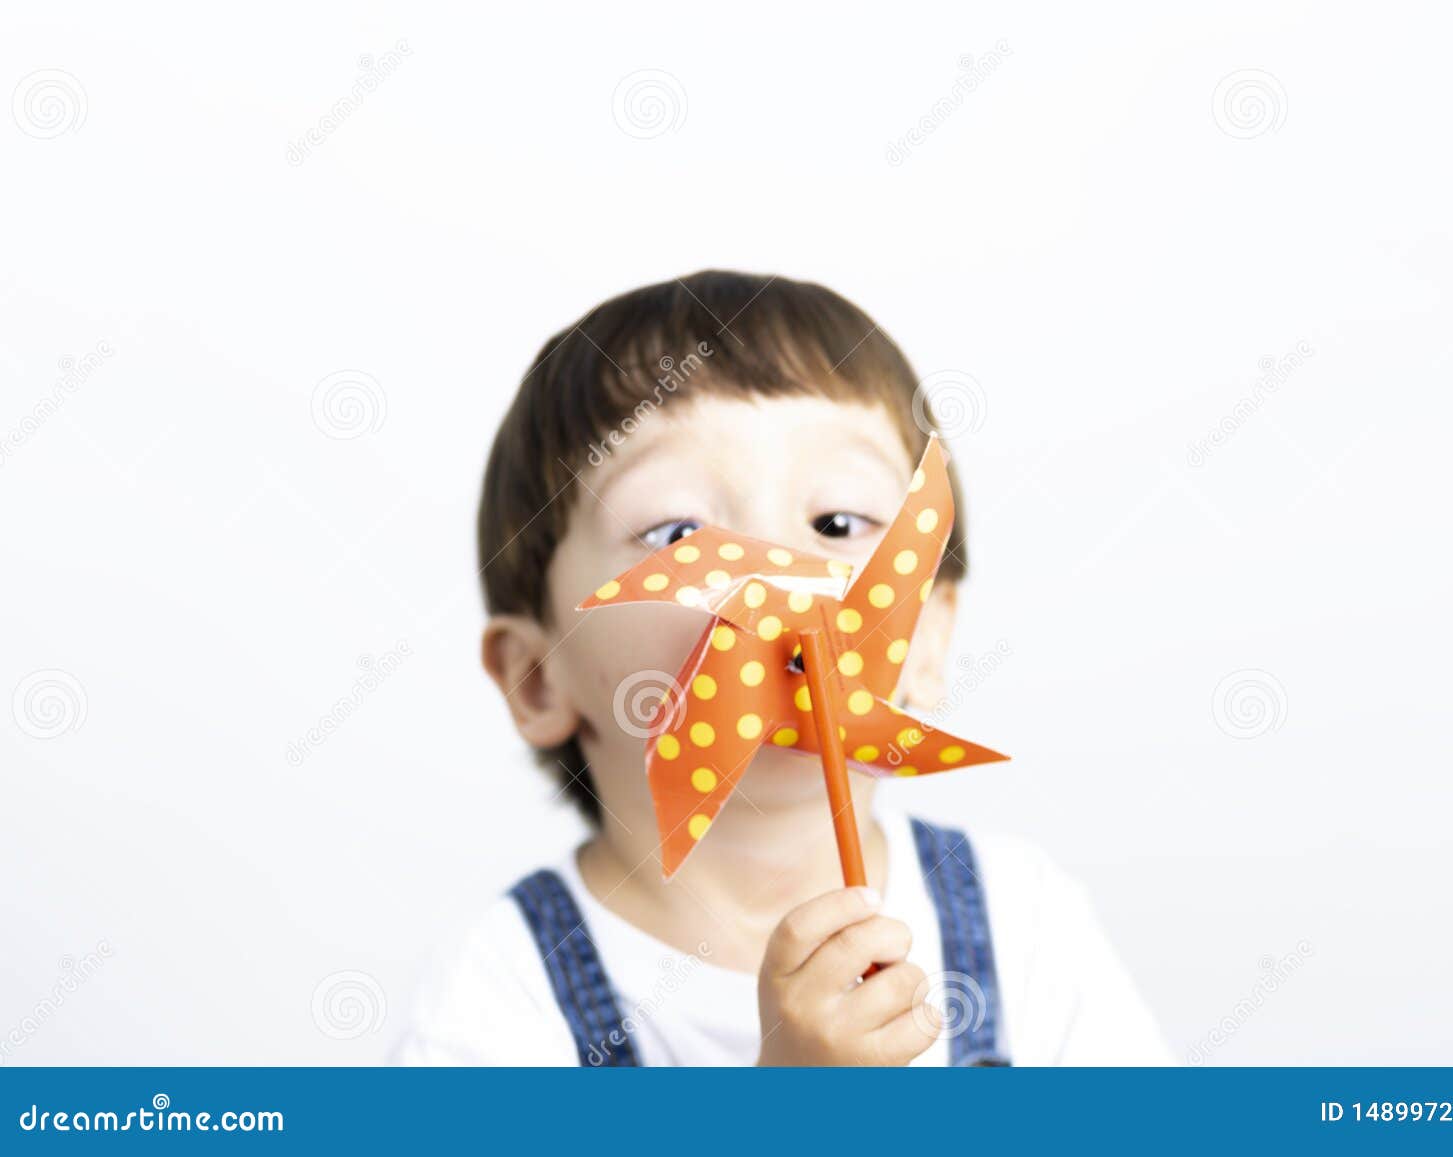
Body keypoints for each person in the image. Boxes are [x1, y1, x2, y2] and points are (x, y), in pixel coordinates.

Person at [397, 271, 1167, 1066]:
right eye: (675, 532)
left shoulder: (1025, 924)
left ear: (926, 643)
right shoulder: (496, 1003)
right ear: (537, 677)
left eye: (837, 521)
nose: (782, 572)